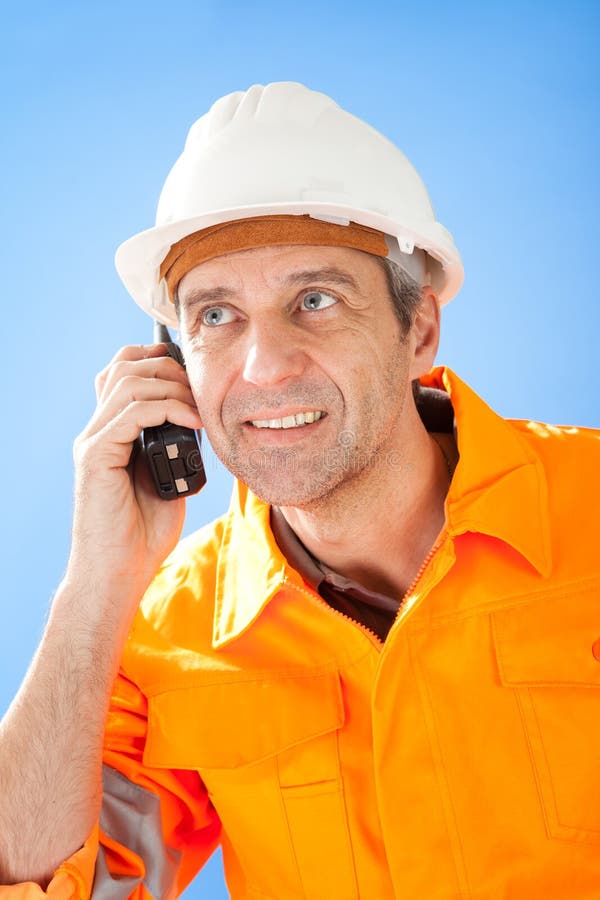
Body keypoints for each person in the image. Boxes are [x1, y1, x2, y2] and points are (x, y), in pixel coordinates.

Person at [0, 82, 598, 900]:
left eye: (314, 301)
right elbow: (44, 884)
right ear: (173, 365)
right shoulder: (170, 631)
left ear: (418, 328)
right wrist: (94, 584)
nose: (265, 368)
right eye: (215, 316)